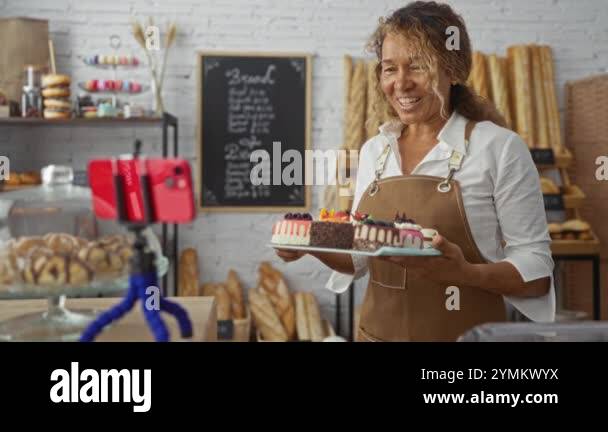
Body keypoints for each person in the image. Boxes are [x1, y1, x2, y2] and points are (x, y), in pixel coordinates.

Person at [276, 1, 555, 341]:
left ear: (453, 71)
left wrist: (464, 273)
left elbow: (537, 274)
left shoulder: (499, 148)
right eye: (389, 68)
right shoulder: (374, 151)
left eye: (418, 66)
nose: (401, 83)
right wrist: (311, 244)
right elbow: (360, 258)